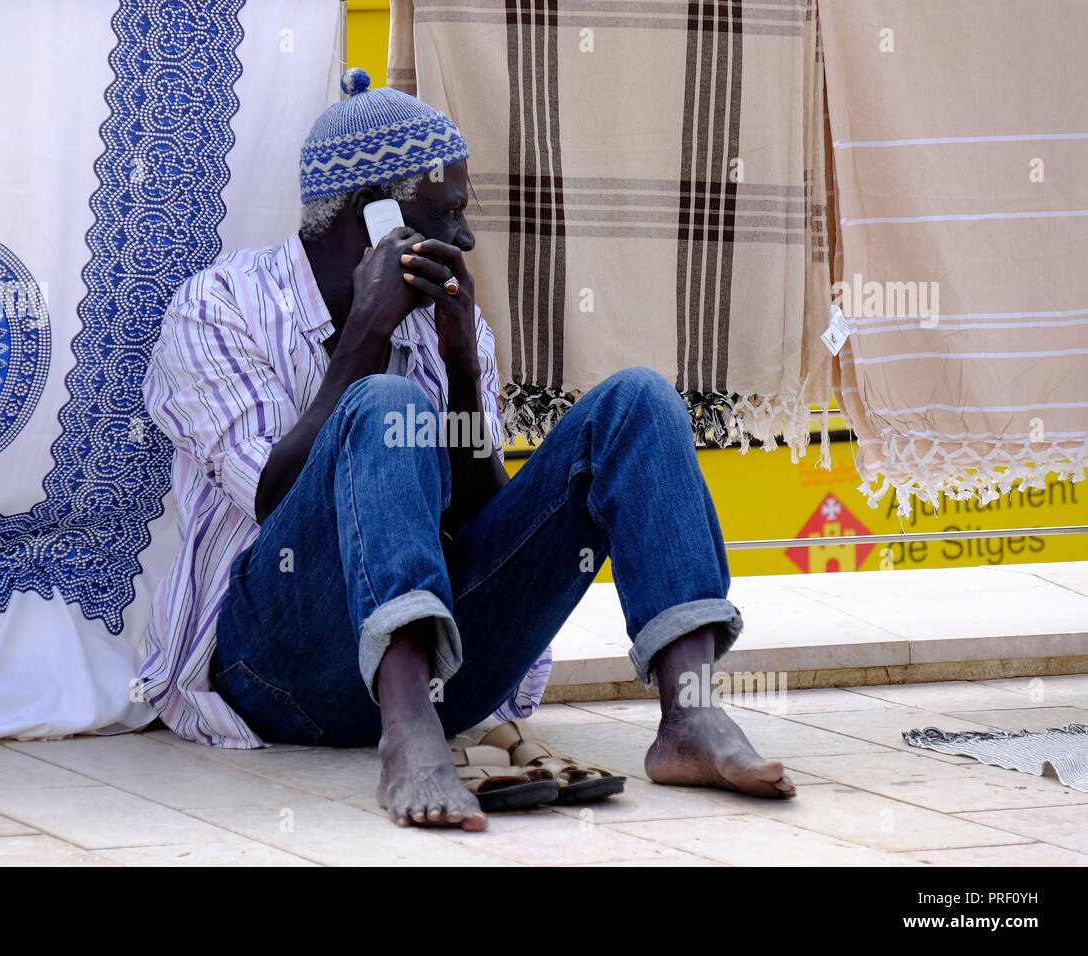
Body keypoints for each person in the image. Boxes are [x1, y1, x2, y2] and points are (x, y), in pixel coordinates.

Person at [139, 69, 795, 832]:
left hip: (455, 664)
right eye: (447, 213)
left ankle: (690, 718)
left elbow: (489, 523)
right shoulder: (219, 308)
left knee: (639, 401)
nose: (466, 235)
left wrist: (459, 372)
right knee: (383, 407)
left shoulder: (442, 319)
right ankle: (408, 734)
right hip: (275, 669)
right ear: (375, 216)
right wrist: (361, 346)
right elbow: (271, 500)